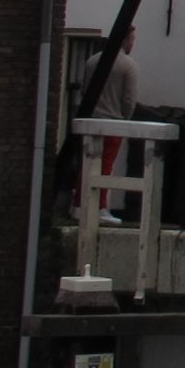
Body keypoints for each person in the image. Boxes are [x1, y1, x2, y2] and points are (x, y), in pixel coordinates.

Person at [74, 27, 141, 224]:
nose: (132, 44)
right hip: (113, 122)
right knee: (105, 166)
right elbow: (129, 100)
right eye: (132, 39)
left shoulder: (92, 61)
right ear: (126, 40)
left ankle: (78, 205)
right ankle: (100, 207)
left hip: (92, 121)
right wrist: (125, 120)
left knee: (87, 162)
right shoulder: (129, 66)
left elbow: (85, 91)